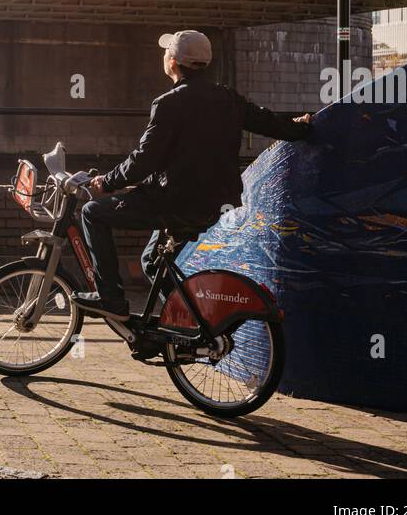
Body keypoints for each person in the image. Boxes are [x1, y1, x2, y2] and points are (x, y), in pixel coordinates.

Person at [75, 30, 313, 319]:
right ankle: (193, 322)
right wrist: (299, 126)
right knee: (152, 262)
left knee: (92, 212)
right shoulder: (227, 98)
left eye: (166, 53)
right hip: (215, 205)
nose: (163, 56)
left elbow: (144, 160)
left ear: (173, 62)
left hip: (174, 203)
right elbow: (269, 122)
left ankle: (111, 299)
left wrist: (107, 182)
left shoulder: (168, 103)